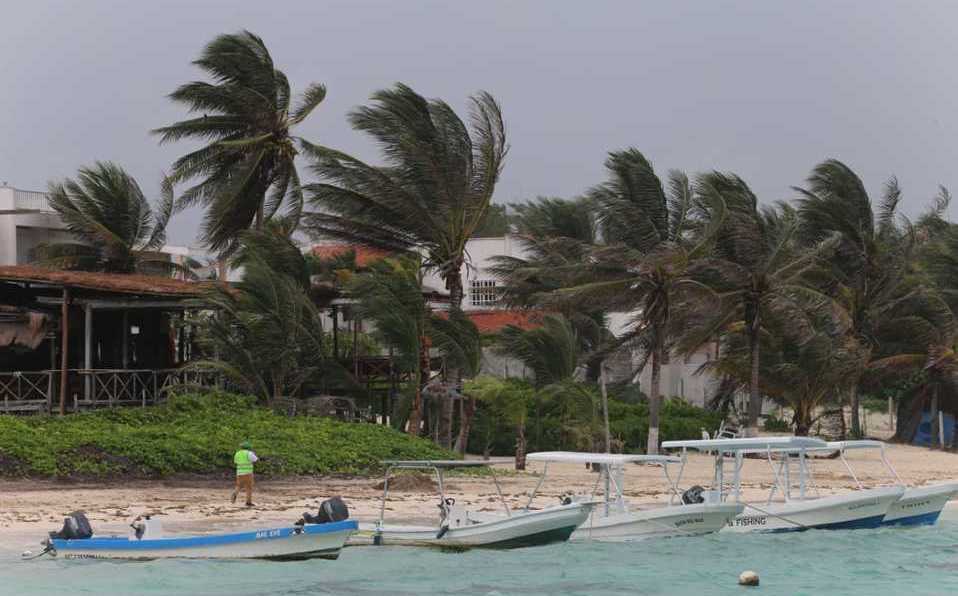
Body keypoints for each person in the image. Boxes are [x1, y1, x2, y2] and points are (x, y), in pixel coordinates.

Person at [231, 441, 259, 507]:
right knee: (249, 487)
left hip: (239, 472)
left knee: (239, 485)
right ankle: (248, 502)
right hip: (248, 472)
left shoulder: (237, 453)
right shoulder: (249, 453)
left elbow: (235, 461)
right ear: (249, 447)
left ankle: (235, 493)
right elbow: (256, 460)